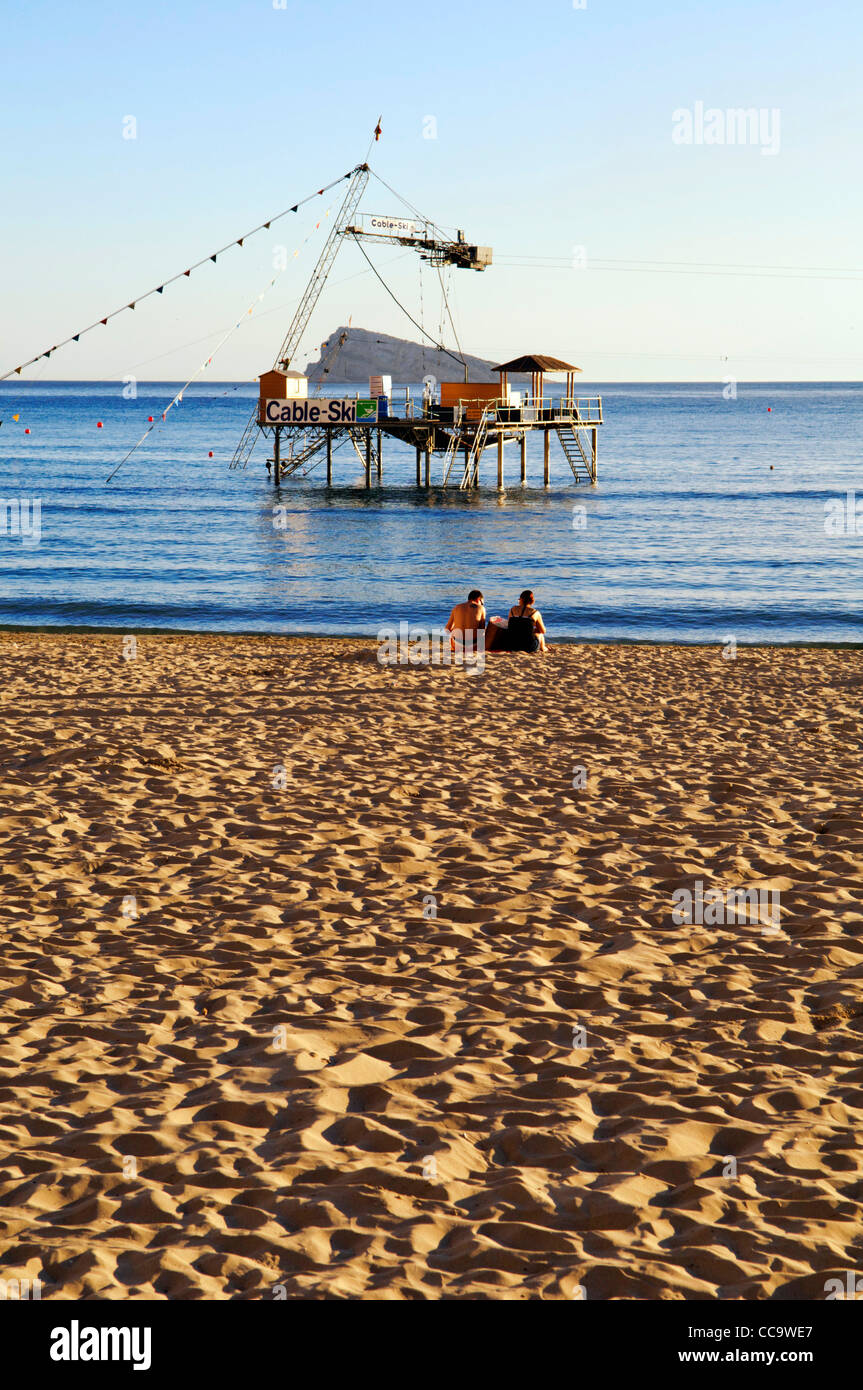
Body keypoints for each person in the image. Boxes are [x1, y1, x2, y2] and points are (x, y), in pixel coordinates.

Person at [503, 589, 548, 654]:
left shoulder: (512, 610)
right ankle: (543, 648)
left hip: (513, 645)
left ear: (520, 599)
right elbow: (543, 631)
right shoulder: (535, 612)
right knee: (540, 633)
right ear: (532, 601)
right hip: (529, 647)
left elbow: (512, 626)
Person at [445, 589, 486, 657]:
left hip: (457, 644)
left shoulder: (456, 607)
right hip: (473, 645)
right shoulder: (481, 608)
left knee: (453, 633)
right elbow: (481, 631)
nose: (482, 604)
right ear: (479, 599)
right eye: (482, 603)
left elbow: (447, 629)